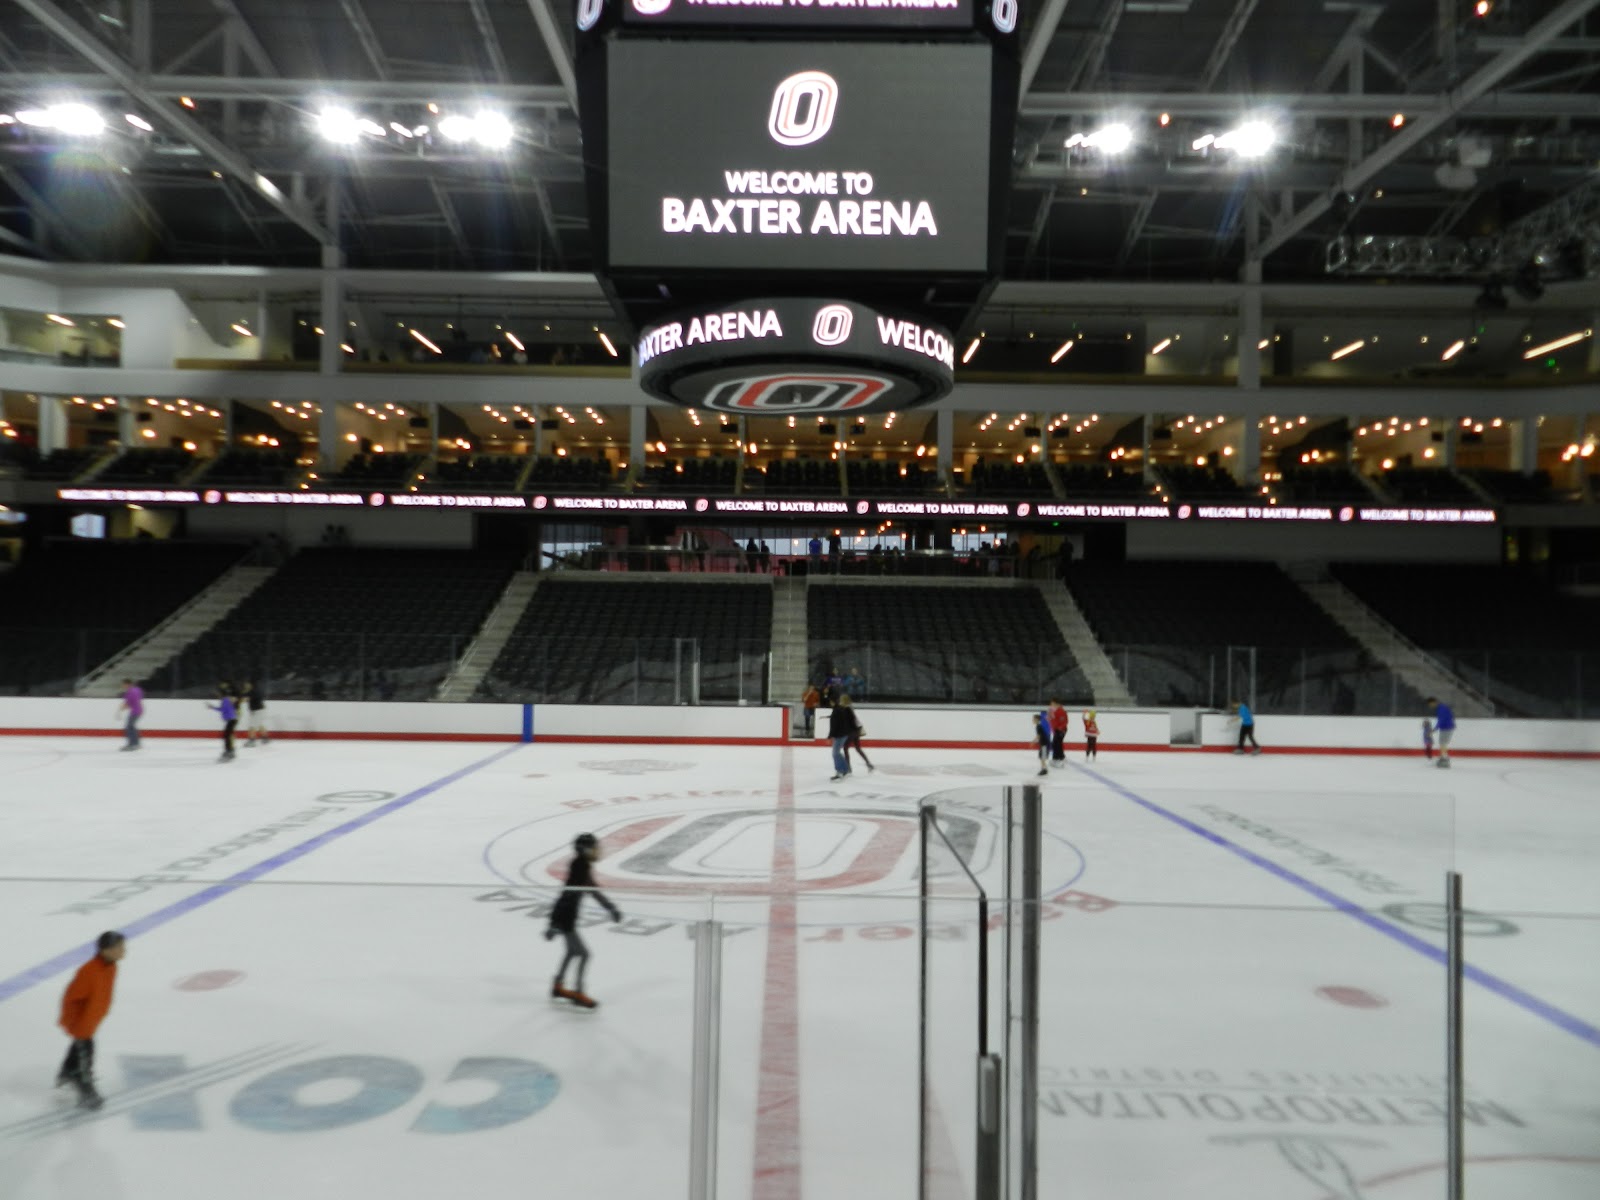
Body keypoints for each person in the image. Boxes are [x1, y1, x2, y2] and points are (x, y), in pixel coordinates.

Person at [545, 833, 621, 1009]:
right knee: (584, 954)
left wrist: (610, 907)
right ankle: (578, 991)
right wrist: (555, 924)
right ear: (585, 850)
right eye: (593, 848)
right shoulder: (580, 868)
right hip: (565, 918)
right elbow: (568, 897)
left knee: (572, 952)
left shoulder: (581, 866)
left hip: (566, 917)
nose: (596, 851)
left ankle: (558, 985)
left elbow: (591, 890)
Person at [57, 931, 127, 1110]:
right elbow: (71, 997)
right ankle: (86, 1091)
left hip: (92, 1018)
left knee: (81, 1046)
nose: (123, 950)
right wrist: (73, 1022)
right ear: (106, 950)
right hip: (81, 1021)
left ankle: (67, 1072)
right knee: (86, 1052)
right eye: (119, 947)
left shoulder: (111, 967)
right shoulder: (88, 971)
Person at [828, 693, 861, 781]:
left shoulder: (838, 710)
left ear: (832, 702)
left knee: (835, 753)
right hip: (842, 734)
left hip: (840, 735)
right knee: (837, 753)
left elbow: (835, 725)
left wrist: (830, 736)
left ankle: (840, 771)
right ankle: (845, 769)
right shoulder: (839, 709)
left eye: (830, 702)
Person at [209, 683, 239, 762]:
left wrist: (213, 707)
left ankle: (229, 752)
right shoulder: (226, 699)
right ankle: (230, 751)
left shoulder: (225, 700)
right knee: (227, 736)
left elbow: (222, 709)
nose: (217, 695)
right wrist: (212, 707)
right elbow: (223, 709)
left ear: (222, 694)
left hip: (231, 720)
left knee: (226, 736)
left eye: (218, 693)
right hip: (232, 720)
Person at [846, 700, 875, 773]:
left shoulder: (847, 710)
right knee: (858, 748)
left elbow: (848, 722)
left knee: (845, 748)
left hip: (852, 731)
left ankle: (848, 768)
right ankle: (868, 764)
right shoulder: (851, 710)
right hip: (857, 730)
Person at [1426, 697, 1456, 768]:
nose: (1430, 706)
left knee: (1443, 743)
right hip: (1447, 727)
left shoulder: (1441, 709)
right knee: (1443, 743)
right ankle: (1443, 757)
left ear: (1433, 702)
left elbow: (1441, 720)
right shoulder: (1442, 708)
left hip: (1446, 728)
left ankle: (1444, 758)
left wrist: (1434, 729)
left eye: (1430, 704)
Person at [118, 677, 144, 751]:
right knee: (131, 727)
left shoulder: (129, 692)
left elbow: (127, 704)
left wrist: (122, 708)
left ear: (127, 684)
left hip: (135, 711)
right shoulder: (137, 689)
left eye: (123, 685)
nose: (123, 686)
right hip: (139, 710)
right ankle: (136, 743)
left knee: (129, 727)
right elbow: (138, 698)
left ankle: (132, 744)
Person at [242, 680, 268, 746]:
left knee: (251, 726)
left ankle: (252, 741)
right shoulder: (253, 691)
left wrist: (236, 701)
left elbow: (245, 699)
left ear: (250, 685)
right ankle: (265, 738)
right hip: (259, 710)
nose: (245, 685)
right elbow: (245, 696)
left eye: (246, 684)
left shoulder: (252, 692)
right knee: (259, 724)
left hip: (257, 711)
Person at [1047, 698, 1069, 767]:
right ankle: (1058, 758)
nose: (1051, 705)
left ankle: (1059, 759)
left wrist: (1060, 729)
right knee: (1056, 744)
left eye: (1052, 703)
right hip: (1056, 729)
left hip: (1061, 730)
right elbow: (1051, 720)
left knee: (1057, 744)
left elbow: (1064, 722)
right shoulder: (1054, 711)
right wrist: (1049, 716)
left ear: (1057, 704)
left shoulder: (1061, 711)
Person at [1032, 709, 1052, 777]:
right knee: (1041, 757)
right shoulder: (1039, 726)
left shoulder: (1038, 726)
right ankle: (1044, 769)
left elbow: (1038, 736)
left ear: (1037, 719)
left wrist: (1033, 742)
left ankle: (1044, 769)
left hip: (1044, 744)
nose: (1033, 720)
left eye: (1034, 719)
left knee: (1042, 757)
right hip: (1043, 743)